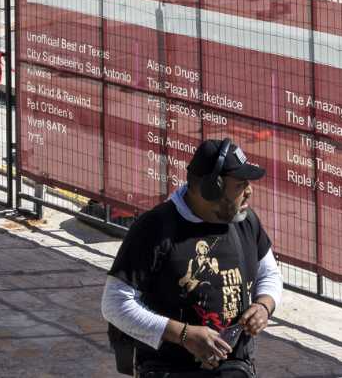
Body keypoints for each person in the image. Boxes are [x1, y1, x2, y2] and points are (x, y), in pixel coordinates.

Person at [102, 136, 283, 377]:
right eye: (240, 185)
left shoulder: (246, 221)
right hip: (170, 370)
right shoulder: (155, 228)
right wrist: (184, 335)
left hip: (234, 368)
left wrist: (264, 306)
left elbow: (269, 273)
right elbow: (114, 303)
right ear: (211, 189)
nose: (250, 191)